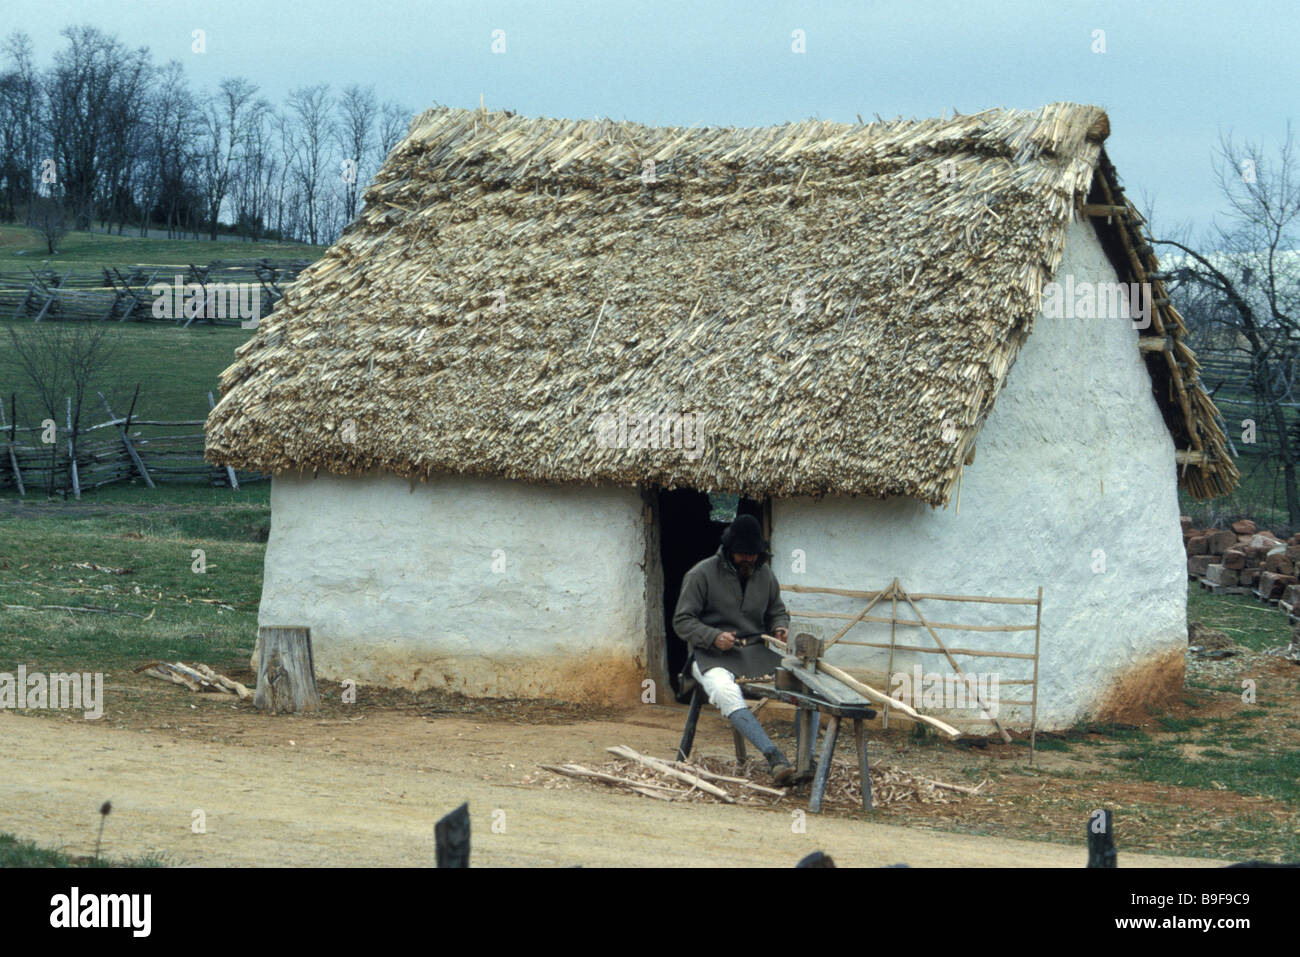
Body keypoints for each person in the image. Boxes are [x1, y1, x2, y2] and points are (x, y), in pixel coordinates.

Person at [673, 513, 796, 785]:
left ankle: (807, 763)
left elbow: (777, 610)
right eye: (742, 554)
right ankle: (774, 757)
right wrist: (713, 636)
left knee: (802, 682)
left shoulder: (765, 575)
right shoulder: (700, 574)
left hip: (755, 654)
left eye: (753, 554)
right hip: (710, 654)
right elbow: (682, 621)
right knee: (723, 690)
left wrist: (780, 627)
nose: (749, 559)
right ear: (729, 551)